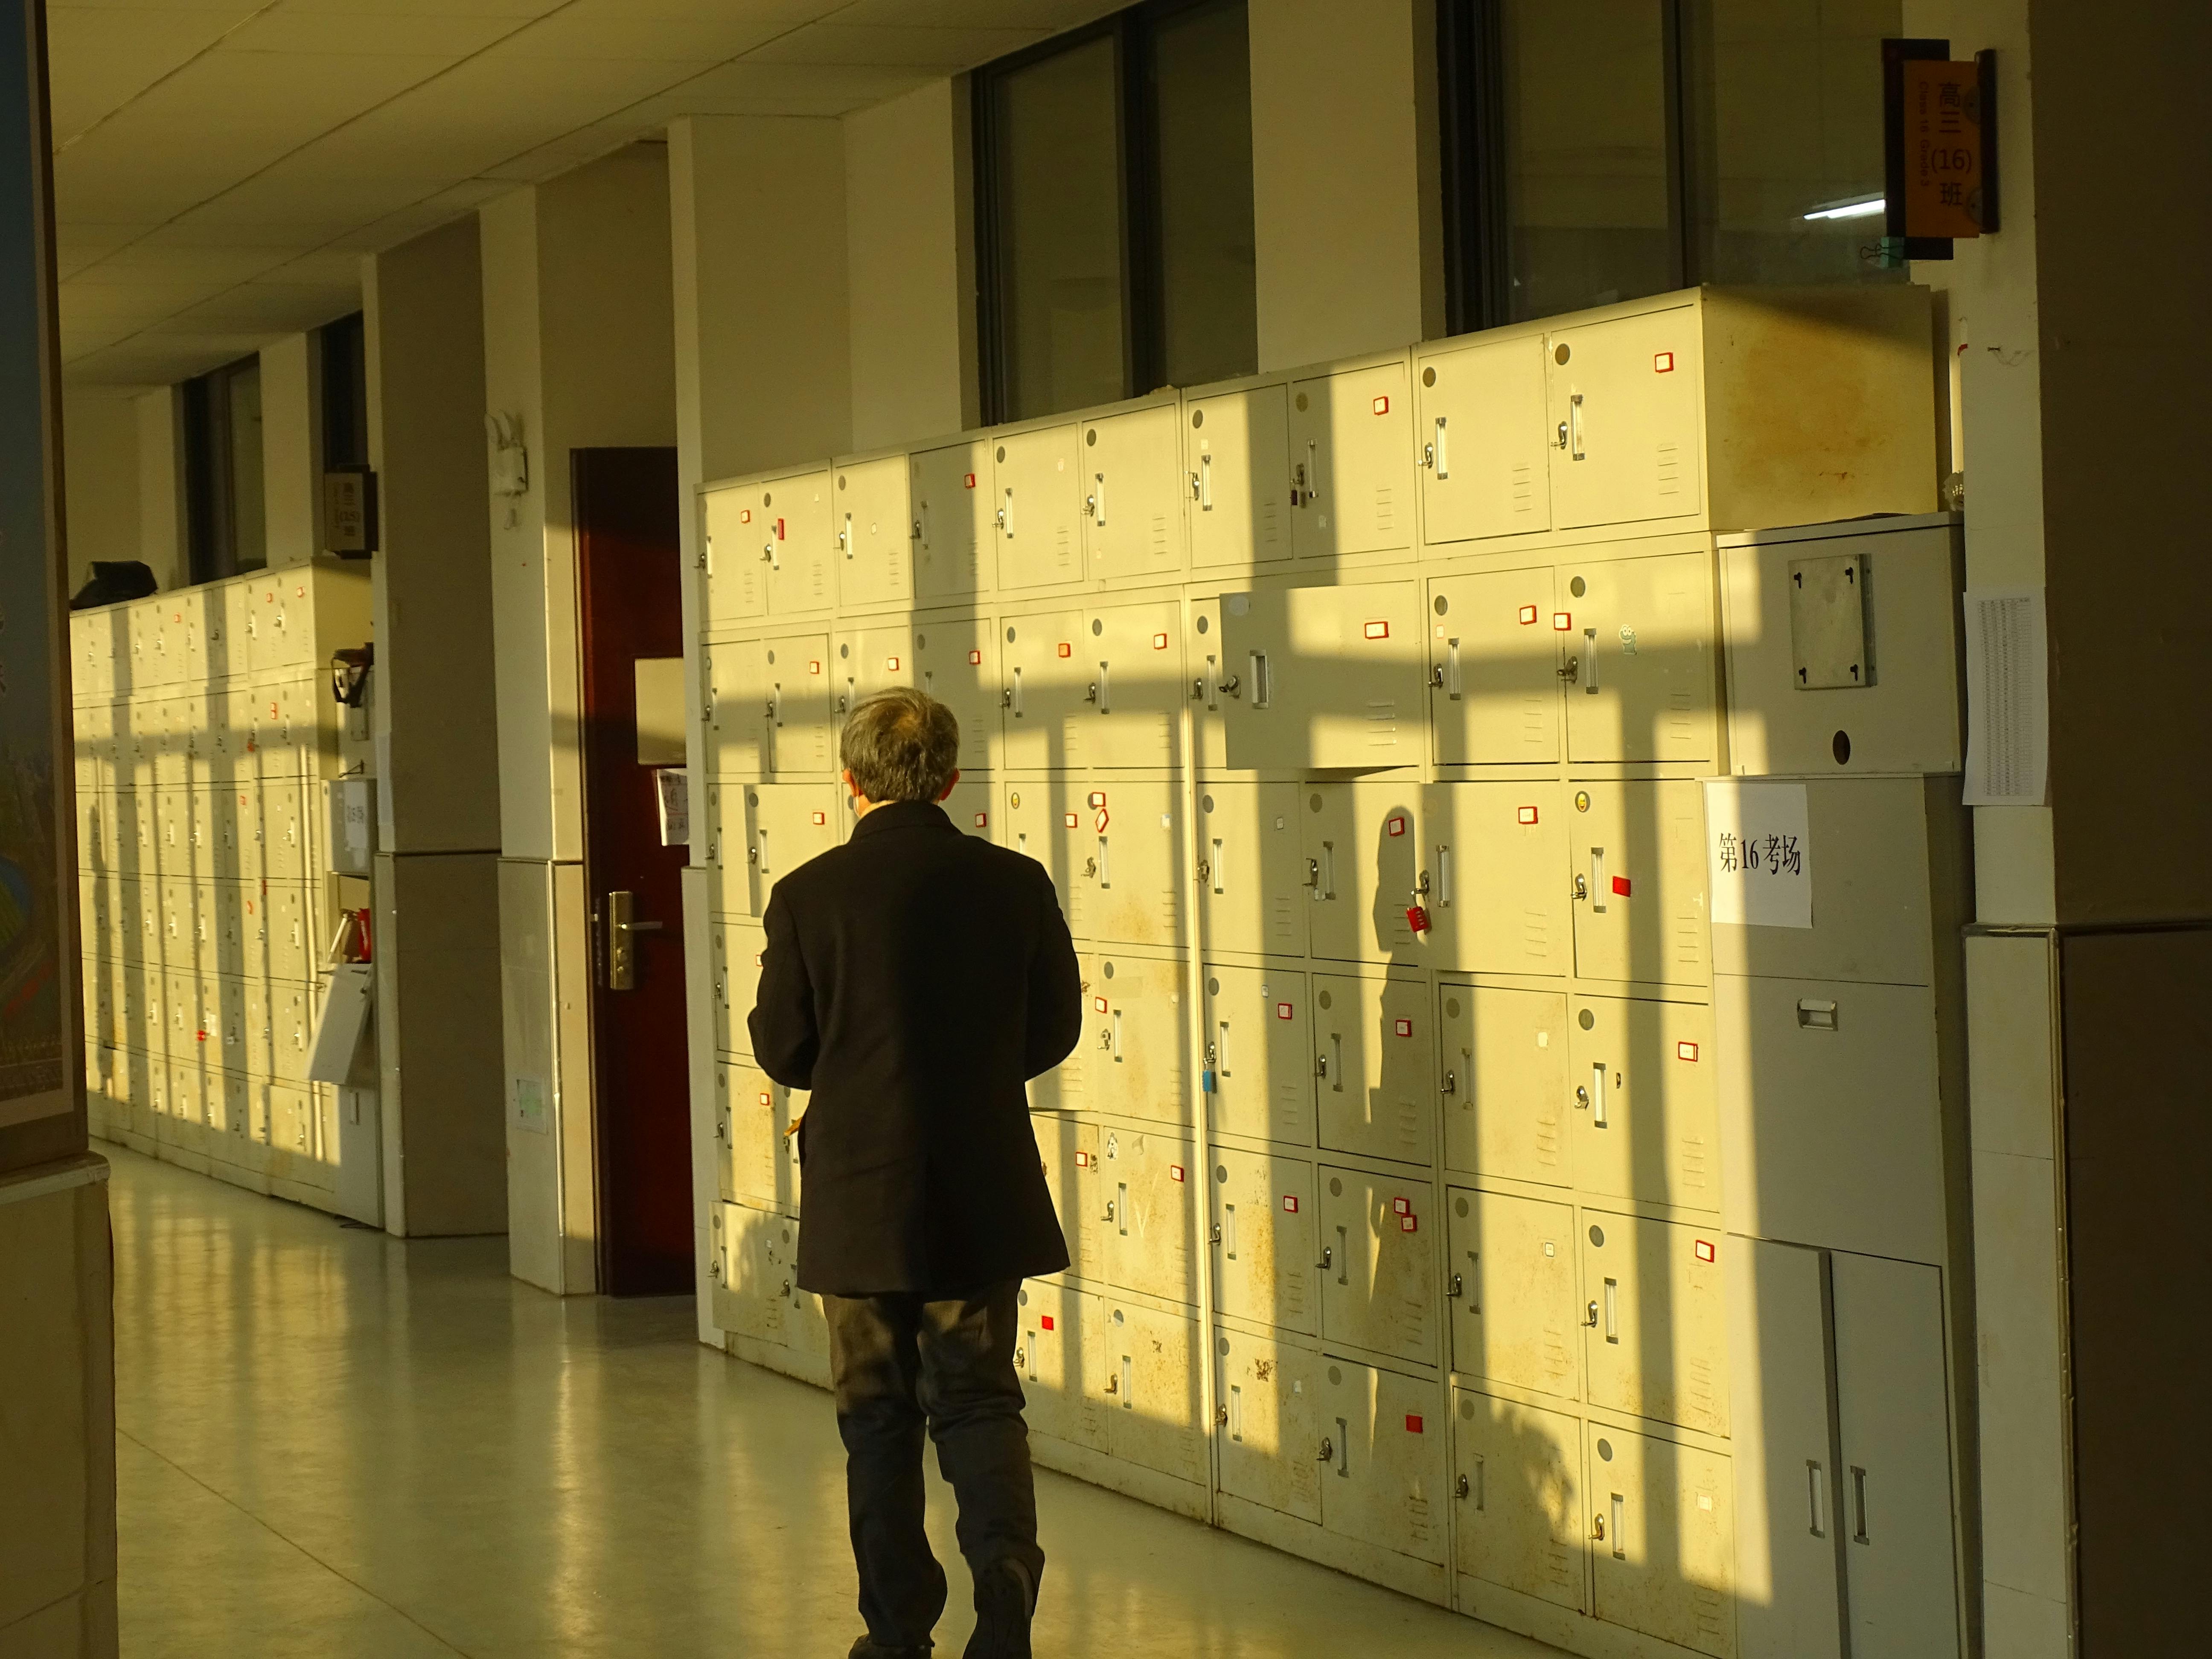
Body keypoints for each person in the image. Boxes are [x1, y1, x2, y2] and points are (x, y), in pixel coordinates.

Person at [749, 687, 1083, 1659]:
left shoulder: (810, 896)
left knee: (878, 1412)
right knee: (979, 1397)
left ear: (849, 780)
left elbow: (783, 1046)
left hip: (860, 1194)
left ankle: (897, 1633)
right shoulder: (1016, 884)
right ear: (950, 777)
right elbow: (1052, 1030)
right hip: (980, 1184)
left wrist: (853, 1070)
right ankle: (1007, 1583)